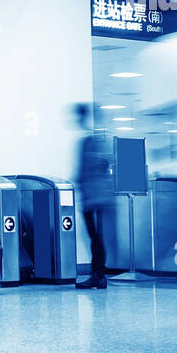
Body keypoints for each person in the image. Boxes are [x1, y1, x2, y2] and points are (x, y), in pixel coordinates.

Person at [73, 103, 112, 290]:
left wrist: (80, 182)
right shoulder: (96, 140)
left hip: (94, 198)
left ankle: (99, 275)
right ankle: (98, 274)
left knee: (95, 237)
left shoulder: (91, 141)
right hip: (94, 196)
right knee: (95, 237)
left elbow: (86, 170)